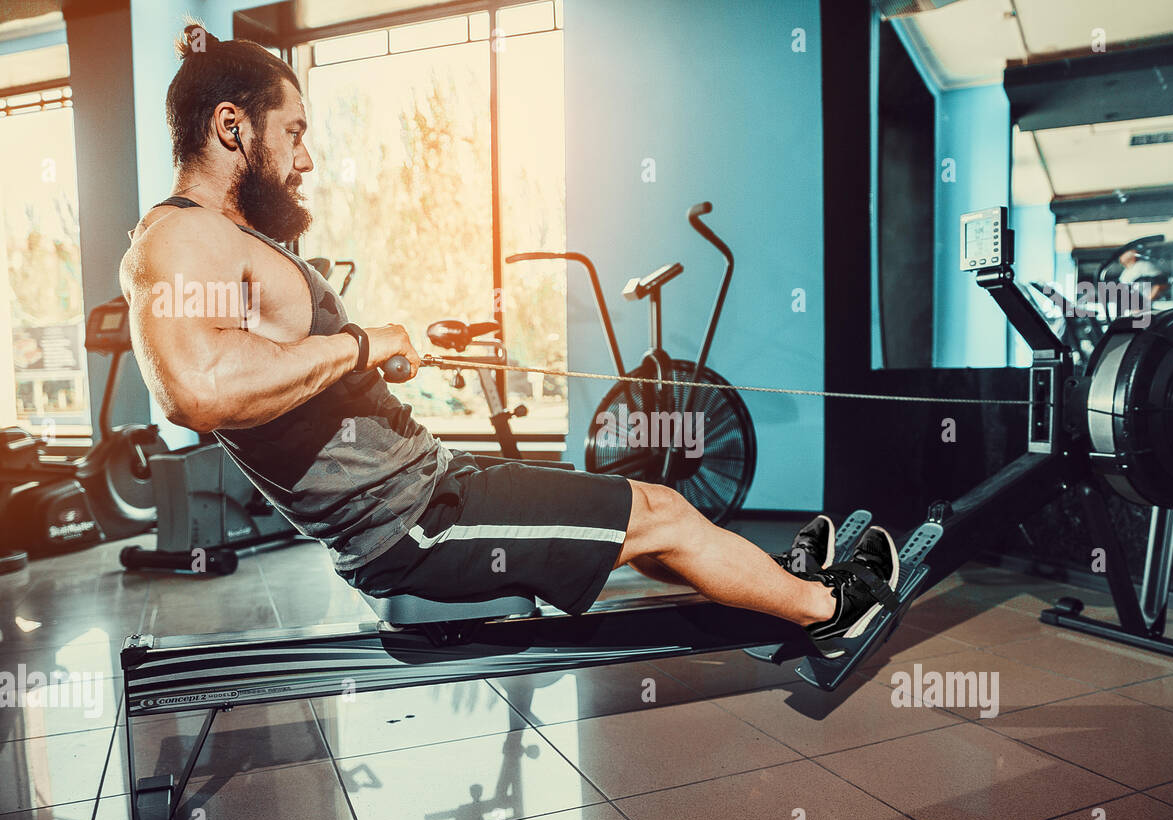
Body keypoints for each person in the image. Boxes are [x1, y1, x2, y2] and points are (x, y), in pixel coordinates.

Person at [118, 25, 900, 655]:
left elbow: (259, 366)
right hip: (415, 524)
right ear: (231, 126)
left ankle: (778, 583)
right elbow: (197, 391)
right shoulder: (180, 241)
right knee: (659, 509)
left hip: (429, 489)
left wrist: (369, 353)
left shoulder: (218, 240)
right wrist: (361, 344)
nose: (306, 158)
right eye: (292, 132)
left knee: (643, 519)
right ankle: (832, 610)